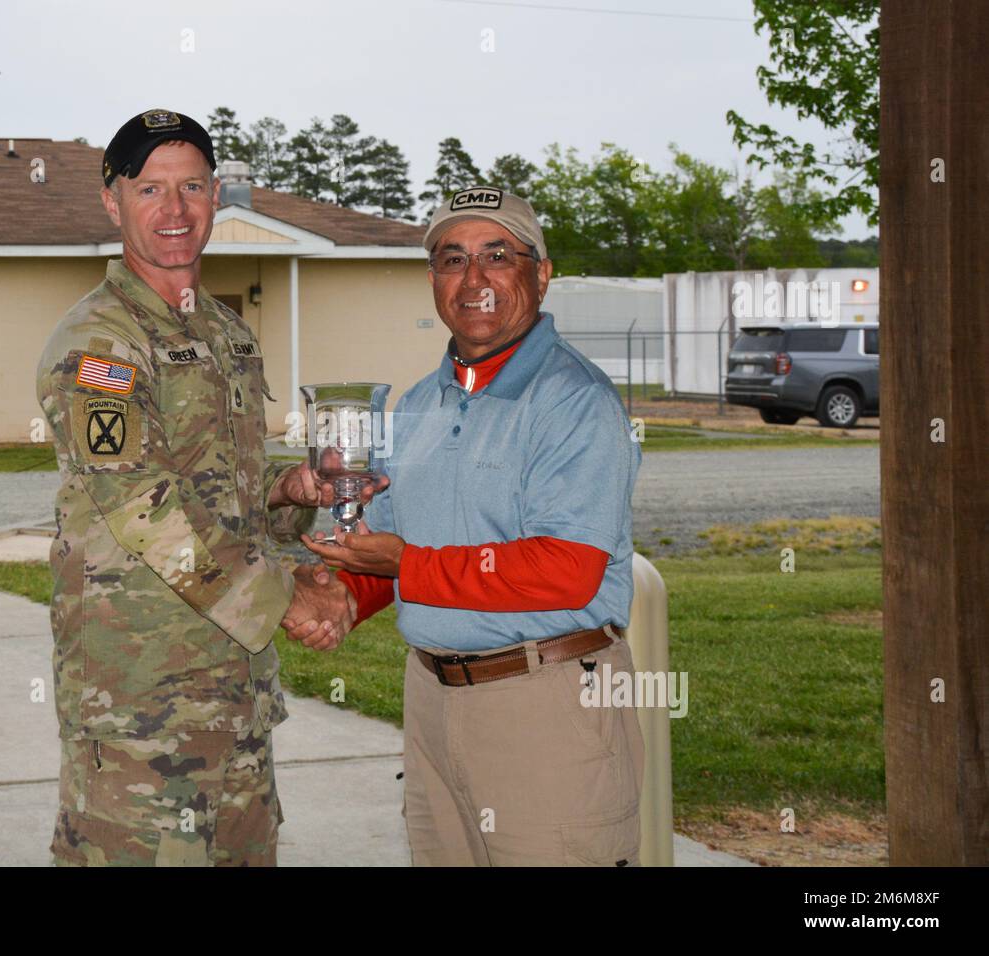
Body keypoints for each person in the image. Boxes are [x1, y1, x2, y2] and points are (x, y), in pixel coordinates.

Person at [35, 108, 356, 866]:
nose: (174, 210)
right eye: (151, 189)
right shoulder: (99, 345)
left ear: (217, 197)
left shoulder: (224, 334)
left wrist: (290, 491)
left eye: (192, 187)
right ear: (112, 201)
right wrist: (287, 596)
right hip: (140, 703)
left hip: (233, 694)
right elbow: (143, 506)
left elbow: (222, 492)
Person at [291, 186, 646, 866]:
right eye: (452, 259)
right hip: (431, 700)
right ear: (433, 281)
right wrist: (342, 596)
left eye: (497, 256)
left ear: (539, 274)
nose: (474, 278)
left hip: (546, 705)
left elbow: (566, 570)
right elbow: (390, 547)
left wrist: (405, 565)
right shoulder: (420, 404)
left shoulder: (576, 402)